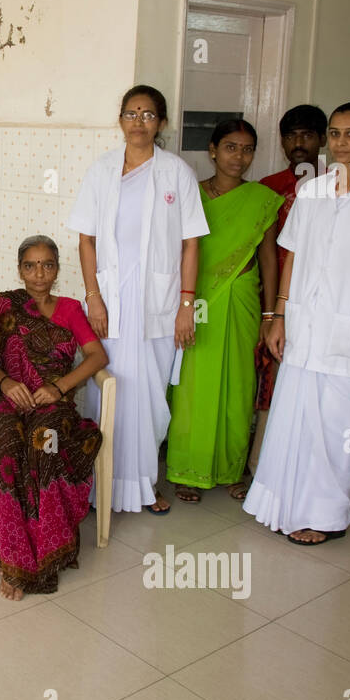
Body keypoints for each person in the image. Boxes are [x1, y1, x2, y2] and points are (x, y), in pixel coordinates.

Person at [244, 102, 350, 544]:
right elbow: (292, 258)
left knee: (340, 429)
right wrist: (278, 316)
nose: (342, 143)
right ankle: (283, 505)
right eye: (336, 133)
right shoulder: (311, 193)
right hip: (303, 330)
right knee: (294, 422)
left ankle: (327, 517)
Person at [68, 85, 208, 516]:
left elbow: (191, 243)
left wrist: (186, 305)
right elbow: (86, 240)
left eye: (148, 115)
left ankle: (143, 484)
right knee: (107, 392)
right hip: (109, 301)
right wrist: (93, 298)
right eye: (132, 113)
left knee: (149, 398)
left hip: (157, 304)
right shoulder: (102, 170)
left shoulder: (177, 173)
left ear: (161, 122)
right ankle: (100, 485)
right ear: (121, 120)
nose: (139, 122)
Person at [0, 236, 108, 600]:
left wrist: (59, 388)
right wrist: (4, 381)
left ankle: (44, 553)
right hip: (8, 398)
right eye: (30, 266)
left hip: (53, 404)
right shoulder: (4, 306)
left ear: (57, 270)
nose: (39, 273)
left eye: (47, 265)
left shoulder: (71, 309)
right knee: (6, 445)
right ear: (20, 270)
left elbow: (97, 357)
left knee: (44, 446)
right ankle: (13, 557)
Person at [166, 120, 282, 502]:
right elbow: (177, 250)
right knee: (192, 385)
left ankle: (231, 468)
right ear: (213, 150)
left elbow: (269, 259)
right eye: (231, 147)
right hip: (197, 299)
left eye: (247, 149)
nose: (239, 156)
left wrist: (270, 316)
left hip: (242, 298)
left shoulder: (261, 199)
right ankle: (188, 469)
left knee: (238, 384)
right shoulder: (191, 194)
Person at [250, 104, 328, 475]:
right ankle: (261, 466)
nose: (298, 143)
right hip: (272, 300)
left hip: (320, 304)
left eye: (307, 135)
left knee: (310, 387)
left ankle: (302, 468)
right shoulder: (269, 188)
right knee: (269, 381)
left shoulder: (337, 186)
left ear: (322, 139)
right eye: (291, 136)